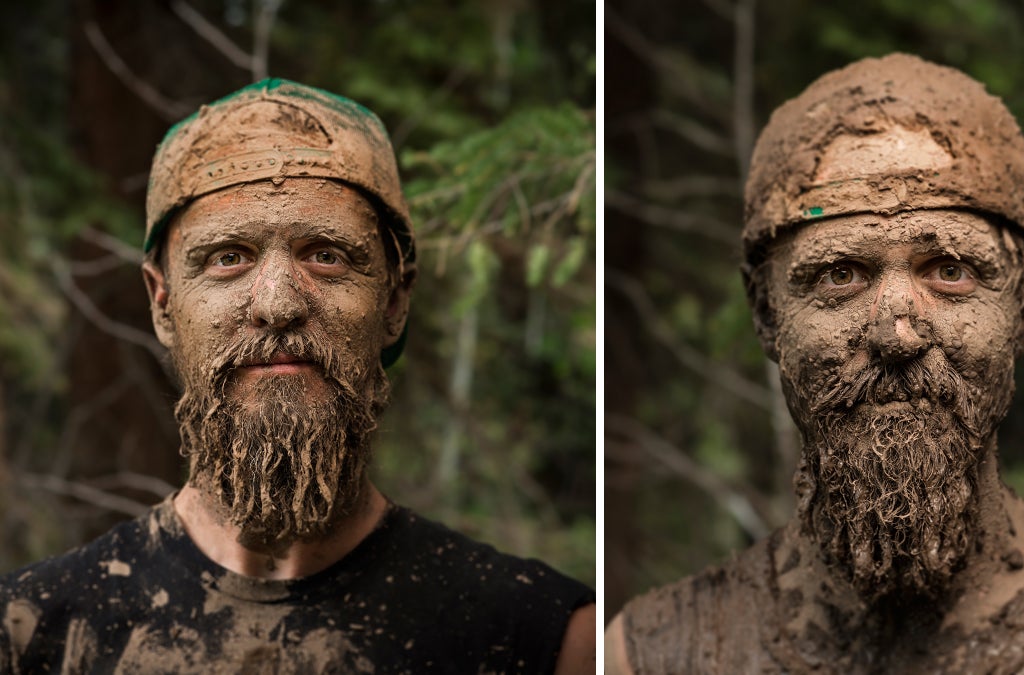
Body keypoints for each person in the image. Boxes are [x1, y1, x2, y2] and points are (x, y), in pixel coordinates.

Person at [605, 53, 1024, 673]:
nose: (897, 333)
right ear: (766, 313)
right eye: (841, 274)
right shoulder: (651, 656)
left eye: (950, 271)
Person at [0, 79, 594, 674]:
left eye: (327, 254)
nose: (278, 303)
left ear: (394, 301)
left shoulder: (542, 642)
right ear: (163, 305)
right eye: (228, 257)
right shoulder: (31, 634)